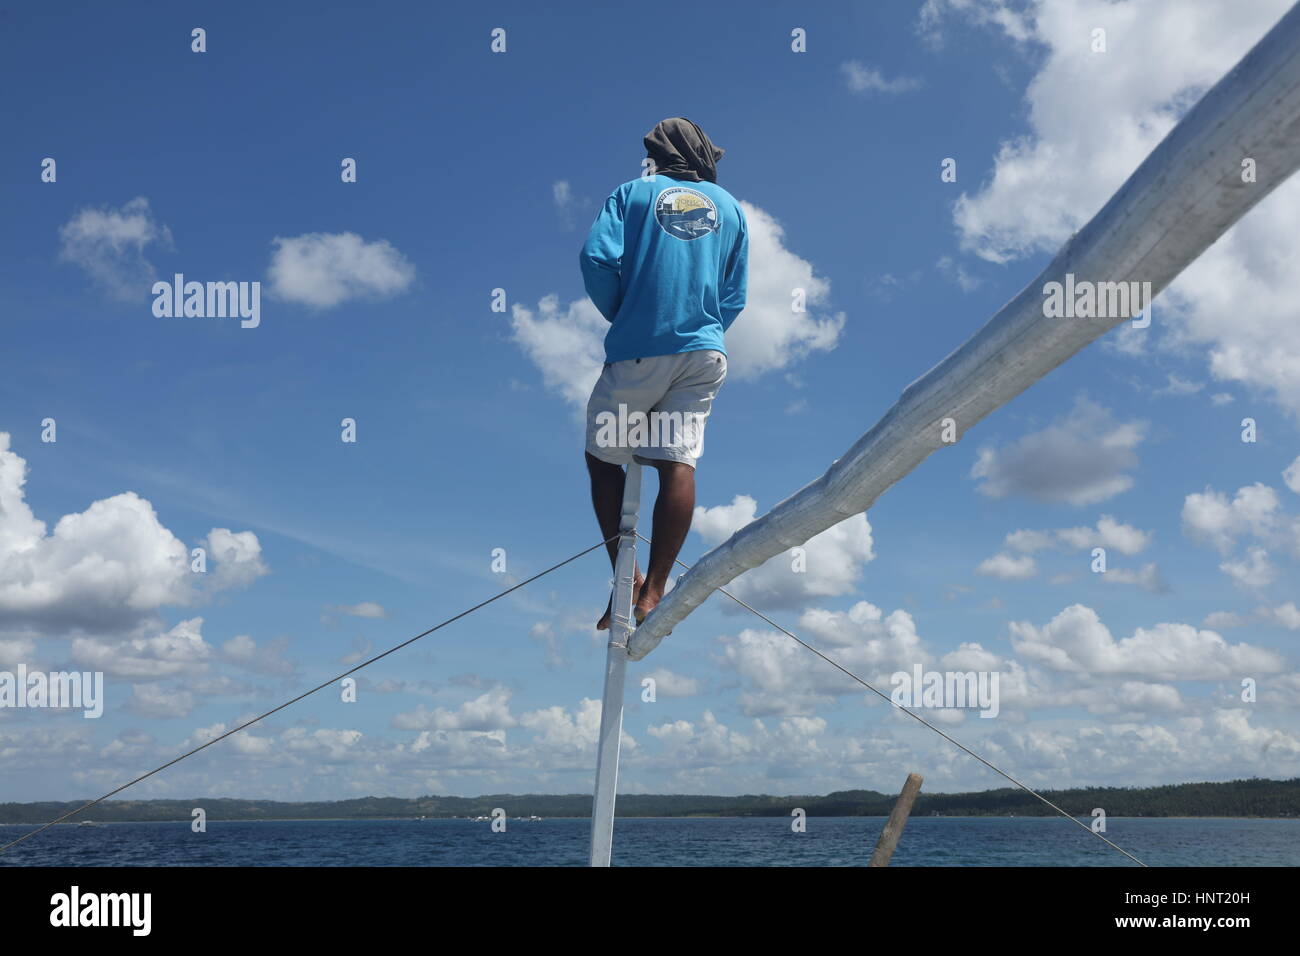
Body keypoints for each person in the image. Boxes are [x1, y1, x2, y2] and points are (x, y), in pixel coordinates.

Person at [580, 117, 749, 630]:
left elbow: (595, 260)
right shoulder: (732, 208)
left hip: (638, 352)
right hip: (703, 356)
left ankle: (624, 578)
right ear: (702, 156)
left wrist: (625, 315)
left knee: (604, 457)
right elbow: (735, 294)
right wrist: (705, 329)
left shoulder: (632, 192)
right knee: (678, 465)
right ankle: (654, 591)